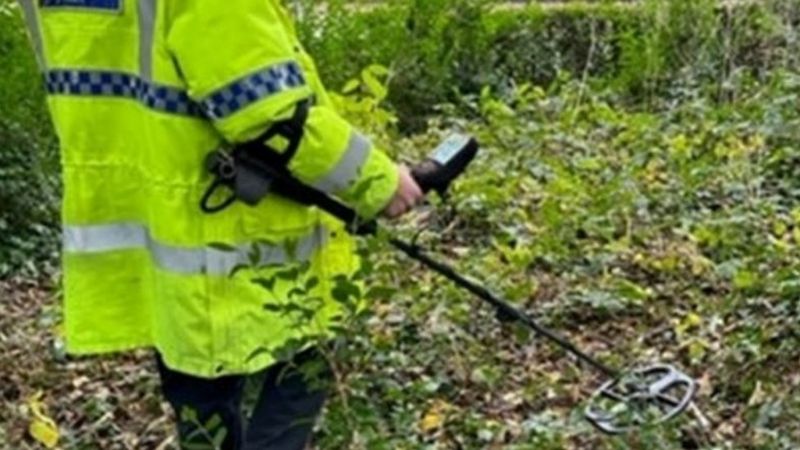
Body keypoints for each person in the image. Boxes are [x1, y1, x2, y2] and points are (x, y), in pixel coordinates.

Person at [17, 0, 424, 448]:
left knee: (196, 387)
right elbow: (271, 115)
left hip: (149, 221)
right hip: (235, 229)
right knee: (312, 358)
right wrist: (382, 183)